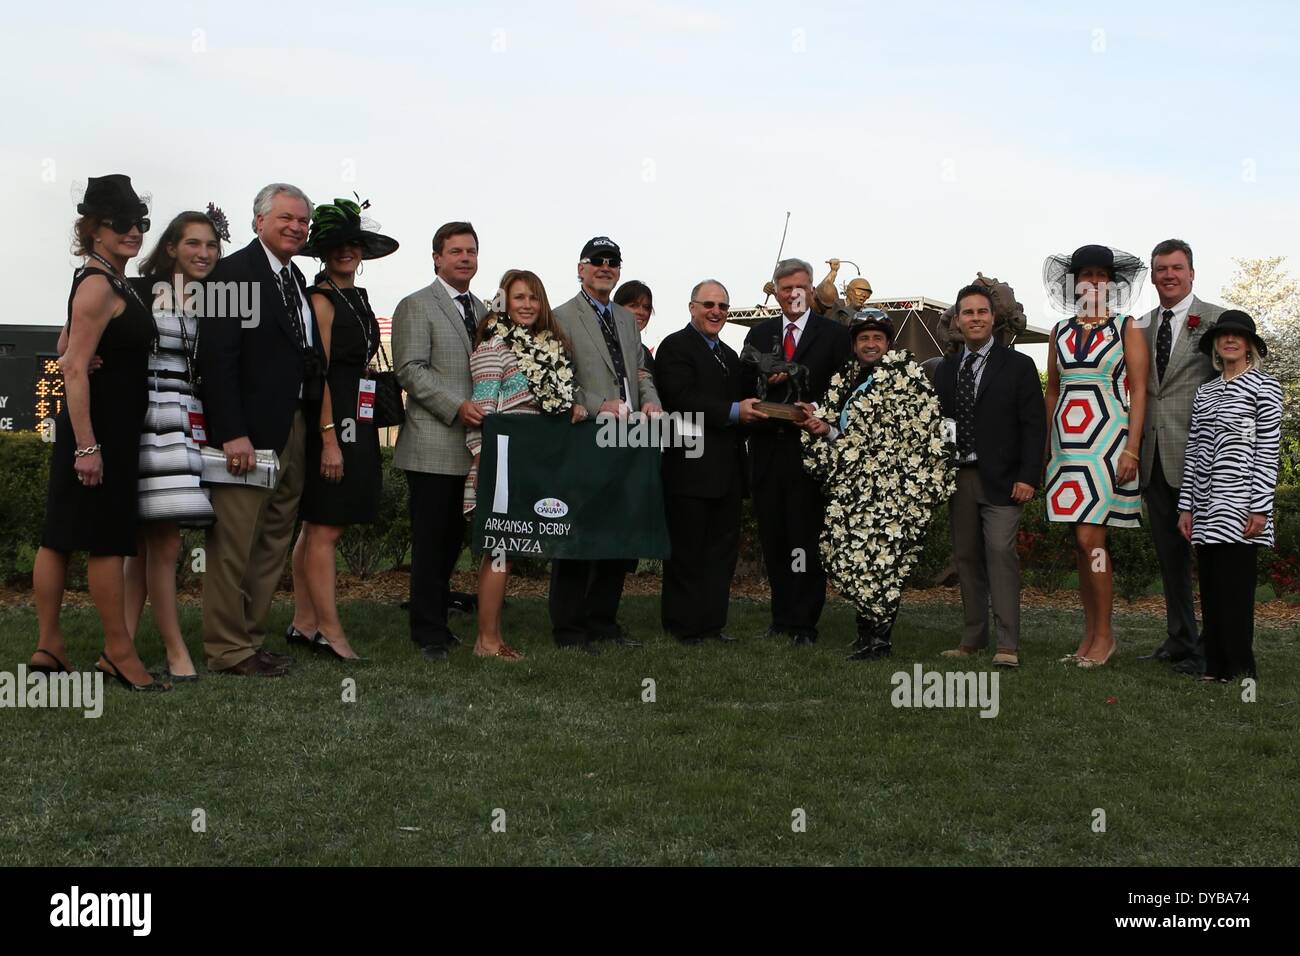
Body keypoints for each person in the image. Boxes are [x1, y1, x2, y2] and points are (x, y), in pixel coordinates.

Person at [31, 173, 167, 691]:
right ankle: (117, 653)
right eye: (122, 223)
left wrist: (82, 359)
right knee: (107, 541)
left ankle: (51, 647)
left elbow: (69, 345)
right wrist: (88, 445)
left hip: (98, 427)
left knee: (60, 535)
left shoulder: (103, 280)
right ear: (94, 229)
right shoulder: (97, 284)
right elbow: (71, 367)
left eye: (141, 222)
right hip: (98, 431)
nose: (135, 231)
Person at [198, 182, 323, 677]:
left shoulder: (294, 279)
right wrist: (232, 432)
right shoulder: (232, 274)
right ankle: (225, 649)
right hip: (246, 434)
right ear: (259, 222)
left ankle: (249, 640)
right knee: (234, 544)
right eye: (286, 218)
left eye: (303, 221)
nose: (296, 227)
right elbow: (218, 360)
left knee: (273, 539)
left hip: (291, 427)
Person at [800, 310, 954, 659]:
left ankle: (879, 641)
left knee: (881, 564)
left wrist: (836, 435)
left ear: (888, 343)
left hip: (893, 488)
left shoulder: (906, 379)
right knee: (858, 558)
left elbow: (903, 435)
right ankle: (865, 634)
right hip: (853, 487)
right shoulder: (849, 378)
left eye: (877, 339)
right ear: (854, 345)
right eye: (863, 339)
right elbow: (843, 428)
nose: (870, 345)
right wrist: (819, 424)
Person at [288, 198, 399, 664]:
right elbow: (320, 372)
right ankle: (330, 632)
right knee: (326, 529)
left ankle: (303, 622)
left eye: (352, 244)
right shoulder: (321, 299)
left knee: (316, 527)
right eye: (336, 244)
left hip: (361, 415)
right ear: (323, 251)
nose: (346, 251)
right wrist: (329, 438)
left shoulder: (359, 296)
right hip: (335, 421)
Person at [121, 206, 227, 682]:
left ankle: (117, 645)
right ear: (169, 248)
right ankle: (174, 649)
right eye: (193, 244)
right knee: (160, 542)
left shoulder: (216, 301)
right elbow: (74, 343)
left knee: (151, 545)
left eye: (210, 245)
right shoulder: (137, 293)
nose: (203, 253)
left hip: (187, 421)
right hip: (144, 420)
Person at [463, 269, 583, 660]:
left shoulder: (551, 350)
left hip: (538, 465)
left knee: (510, 550)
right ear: (504, 303)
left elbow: (554, 405)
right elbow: (482, 413)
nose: (527, 305)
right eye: (518, 298)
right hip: (501, 466)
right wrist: (484, 465)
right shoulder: (492, 347)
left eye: (533, 297)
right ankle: (487, 641)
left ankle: (492, 637)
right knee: (499, 550)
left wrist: (573, 407)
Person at [549, 237, 660, 653]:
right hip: (584, 434)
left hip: (628, 438)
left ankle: (603, 622)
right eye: (597, 261)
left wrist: (651, 405)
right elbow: (557, 381)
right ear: (581, 268)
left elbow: (641, 373)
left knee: (618, 531)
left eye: (613, 262)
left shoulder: (626, 319)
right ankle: (569, 629)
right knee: (577, 531)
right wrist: (599, 405)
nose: (606, 267)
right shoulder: (560, 317)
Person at [1042, 244, 1150, 668]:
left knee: (1093, 540)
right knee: (1081, 544)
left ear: (1112, 282)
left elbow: (1140, 390)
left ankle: (1105, 636)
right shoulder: (1059, 330)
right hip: (1067, 446)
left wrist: (1133, 449)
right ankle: (1088, 637)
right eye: (1084, 274)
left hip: (1110, 444)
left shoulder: (1127, 328)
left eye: (1101, 275)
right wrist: (1046, 445)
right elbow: (1052, 388)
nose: (1092, 281)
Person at [935, 284, 1046, 667]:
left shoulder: (1018, 365)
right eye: (968, 313)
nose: (976, 319)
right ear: (957, 321)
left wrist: (1029, 476)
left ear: (993, 318)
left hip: (1003, 478)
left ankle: (1007, 645)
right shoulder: (947, 368)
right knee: (966, 557)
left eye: (982, 312)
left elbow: (1034, 426)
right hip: (959, 477)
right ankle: (972, 639)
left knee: (1000, 553)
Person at [393, 221, 488, 662]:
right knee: (431, 542)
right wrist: (456, 406)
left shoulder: (486, 310)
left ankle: (440, 622)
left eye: (470, 251)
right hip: (434, 444)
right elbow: (411, 369)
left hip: (477, 447)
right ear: (436, 258)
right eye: (455, 251)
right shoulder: (416, 305)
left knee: (452, 541)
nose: (464, 258)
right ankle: (428, 632)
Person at [742, 257, 851, 645]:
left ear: (810, 290)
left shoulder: (835, 335)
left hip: (811, 454)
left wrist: (821, 416)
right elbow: (743, 385)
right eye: (786, 288)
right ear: (777, 292)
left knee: (805, 538)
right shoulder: (759, 334)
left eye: (800, 287)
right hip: (768, 452)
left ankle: (804, 622)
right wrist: (760, 382)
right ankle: (780, 616)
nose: (793, 294)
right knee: (774, 538)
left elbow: (846, 392)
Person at [654, 280, 767, 644]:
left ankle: (711, 625)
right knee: (688, 553)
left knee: (720, 554)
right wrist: (735, 411)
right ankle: (683, 626)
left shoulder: (729, 355)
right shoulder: (675, 347)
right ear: (692, 307)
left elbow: (742, 400)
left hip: (728, 472)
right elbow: (681, 399)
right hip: (689, 469)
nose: (716, 312)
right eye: (709, 305)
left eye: (722, 306)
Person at [1137, 239, 1226, 676]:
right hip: (1154, 457)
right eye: (1160, 269)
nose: (1168, 275)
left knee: (1207, 555)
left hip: (1201, 460)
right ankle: (1179, 637)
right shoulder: (1139, 326)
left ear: (1192, 272)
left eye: (1176, 267)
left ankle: (1214, 644)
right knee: (1170, 556)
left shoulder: (1216, 321)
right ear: (1152, 276)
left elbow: (1235, 381)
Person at [1178, 311, 1281, 683]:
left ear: (1249, 344)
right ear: (1216, 346)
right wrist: (1186, 507)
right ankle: (1215, 665)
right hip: (1205, 507)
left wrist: (1260, 507)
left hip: (1242, 506)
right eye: (1224, 336)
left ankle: (1241, 668)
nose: (1230, 340)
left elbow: (1268, 450)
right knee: (1212, 588)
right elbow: (1194, 450)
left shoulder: (1265, 387)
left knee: (1236, 591)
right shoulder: (1205, 392)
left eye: (1238, 335)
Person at [614, 279, 655, 375]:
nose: (641, 312)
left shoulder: (645, 354)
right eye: (633, 306)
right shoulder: (606, 345)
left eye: (646, 307)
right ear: (616, 308)